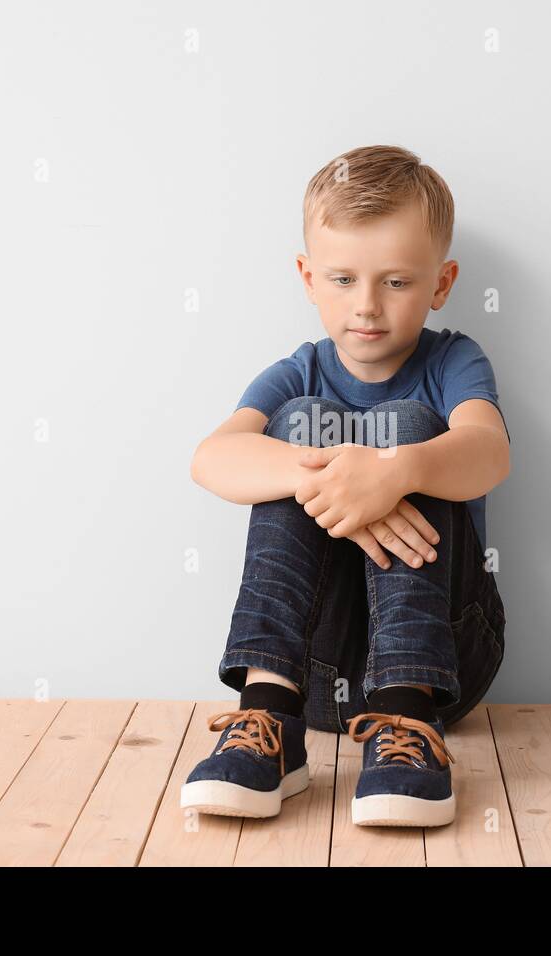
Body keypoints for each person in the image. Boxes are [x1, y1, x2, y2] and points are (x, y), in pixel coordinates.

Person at [180, 145, 510, 828]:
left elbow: (489, 452)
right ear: (308, 277)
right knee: (295, 424)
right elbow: (211, 458)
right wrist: (334, 485)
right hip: (313, 668)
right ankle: (268, 718)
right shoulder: (297, 372)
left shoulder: (453, 361)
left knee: (408, 425)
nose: (367, 306)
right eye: (342, 279)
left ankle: (408, 723)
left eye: (397, 282)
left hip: (444, 659)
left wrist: (395, 473)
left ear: (441, 283)